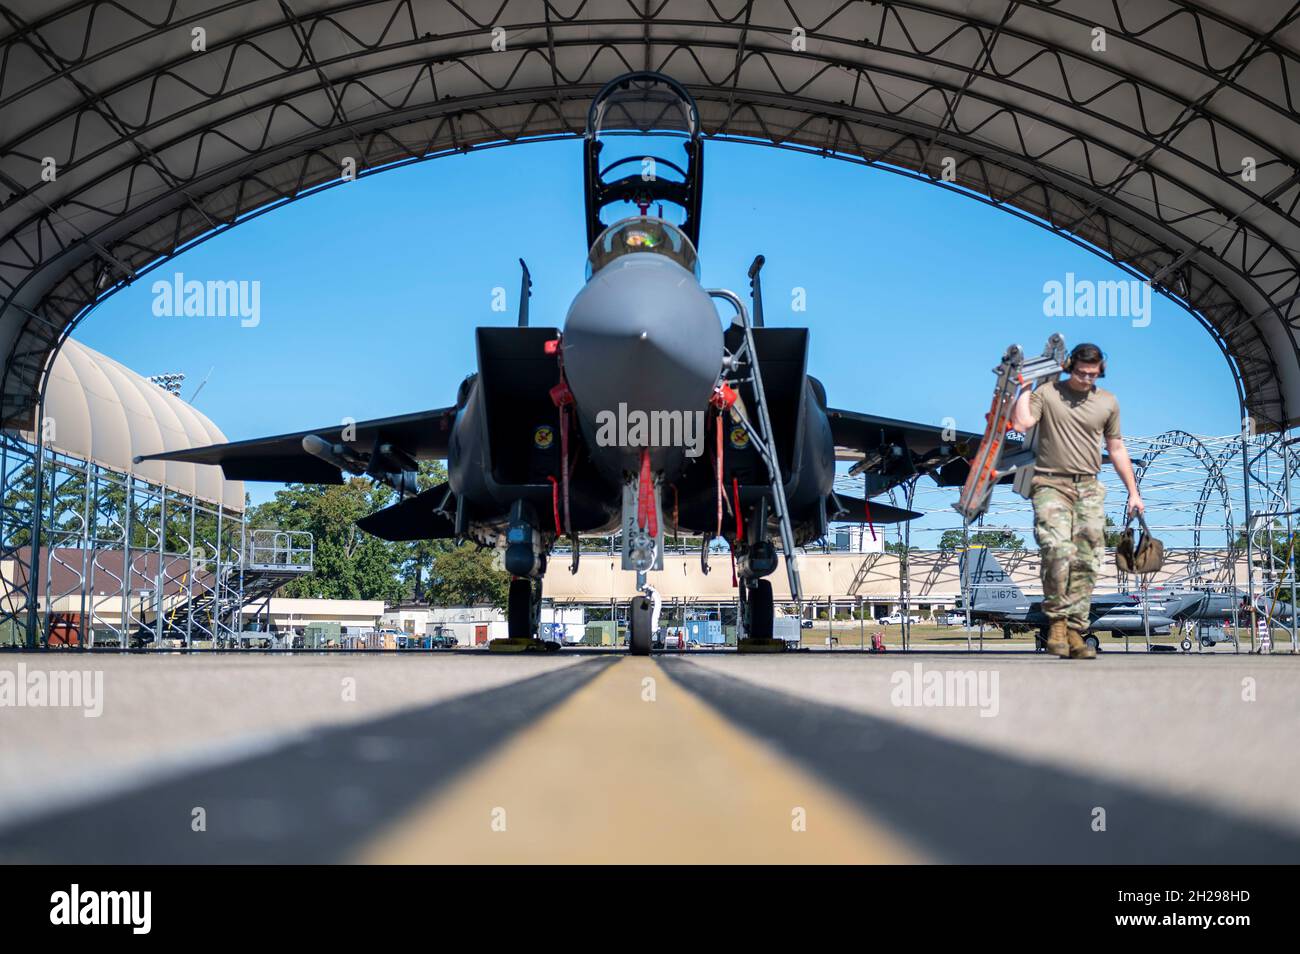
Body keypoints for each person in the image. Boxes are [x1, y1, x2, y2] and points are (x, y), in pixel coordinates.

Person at [1010, 342, 1144, 660]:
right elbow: (1022, 424)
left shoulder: (1107, 403)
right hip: (1050, 484)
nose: (1086, 379)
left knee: (1088, 558)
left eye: (1092, 374)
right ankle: (1056, 621)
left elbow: (1117, 448)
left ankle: (1074, 627)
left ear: (1101, 371)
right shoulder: (1048, 394)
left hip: (1088, 487)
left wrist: (1133, 492)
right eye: (1081, 373)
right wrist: (1023, 390)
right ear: (1071, 367)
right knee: (1057, 550)